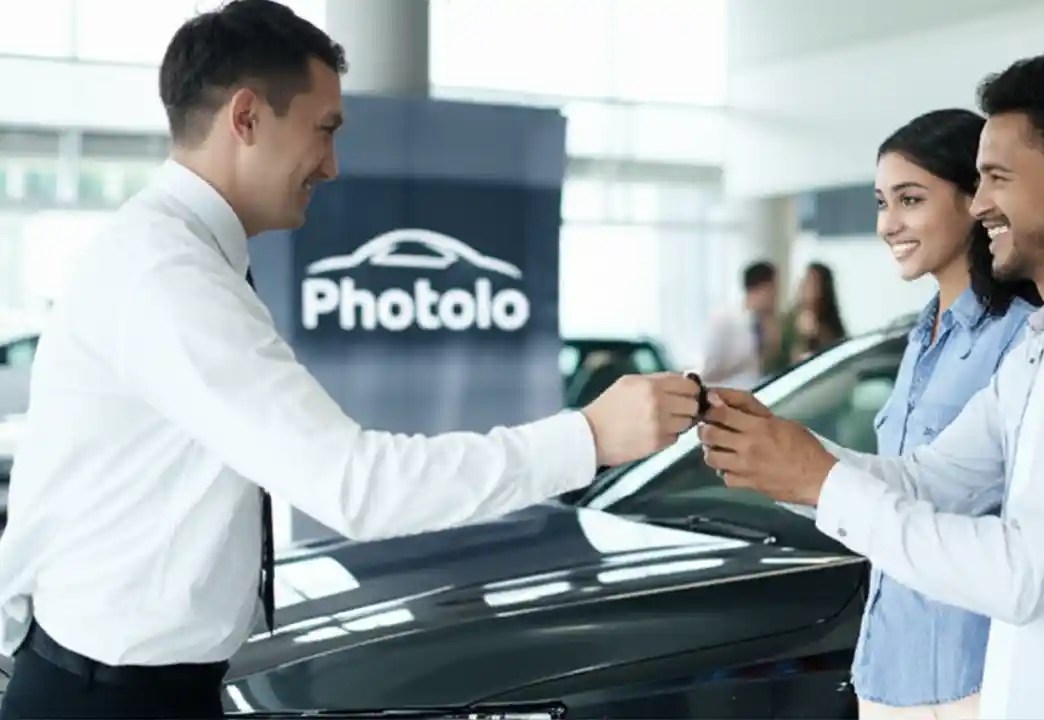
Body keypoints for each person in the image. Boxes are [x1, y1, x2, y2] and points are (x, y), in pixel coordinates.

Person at [0, 2, 700, 719]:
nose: (333, 166)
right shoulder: (168, 276)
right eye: (325, 130)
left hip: (134, 685)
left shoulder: (174, 256)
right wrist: (588, 437)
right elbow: (354, 485)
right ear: (247, 117)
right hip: (107, 699)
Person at [699, 51, 1044, 720]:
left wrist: (820, 480)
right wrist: (784, 458)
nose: (979, 203)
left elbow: (1025, 573)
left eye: (996, 178)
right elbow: (931, 480)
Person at [852, 109, 1041, 720]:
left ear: (974, 200)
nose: (888, 224)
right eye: (882, 203)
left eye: (910, 199)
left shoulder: (1023, 338)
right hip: (886, 670)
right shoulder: (921, 334)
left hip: (968, 680)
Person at [699, 260, 781, 389]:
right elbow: (708, 372)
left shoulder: (761, 323)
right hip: (725, 392)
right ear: (763, 287)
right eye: (774, 289)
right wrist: (739, 365)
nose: (776, 296)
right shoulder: (724, 320)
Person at [781, 262, 848, 364]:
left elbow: (836, 352)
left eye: (812, 283)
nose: (804, 287)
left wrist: (816, 332)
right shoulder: (790, 319)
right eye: (805, 281)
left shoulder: (829, 326)